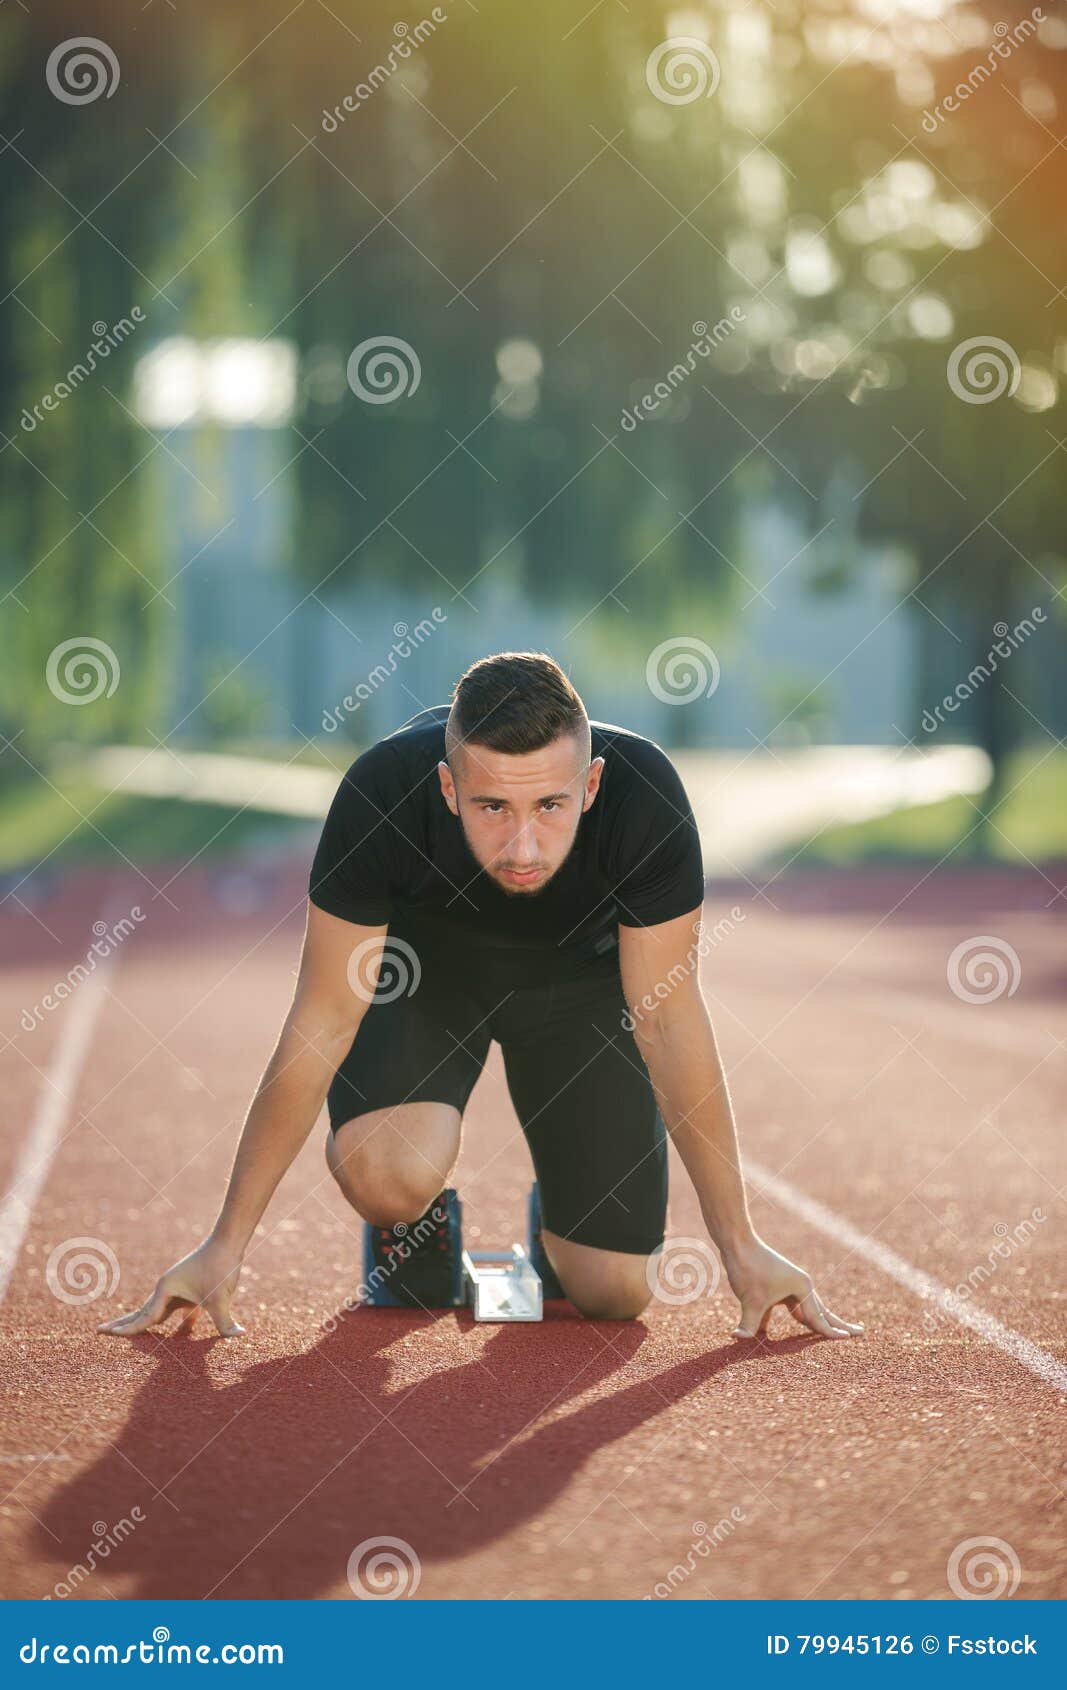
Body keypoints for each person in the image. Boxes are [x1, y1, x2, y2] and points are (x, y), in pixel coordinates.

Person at [101, 651, 862, 1340]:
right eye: (493, 807)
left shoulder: (643, 798)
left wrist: (739, 1247)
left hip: (580, 989)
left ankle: (558, 1224)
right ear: (448, 786)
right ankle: (415, 1225)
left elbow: (665, 1019)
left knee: (615, 1294)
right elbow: (322, 1020)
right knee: (388, 1176)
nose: (522, 846)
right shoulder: (381, 793)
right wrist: (225, 1245)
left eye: (550, 807)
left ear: (591, 784)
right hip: (425, 978)